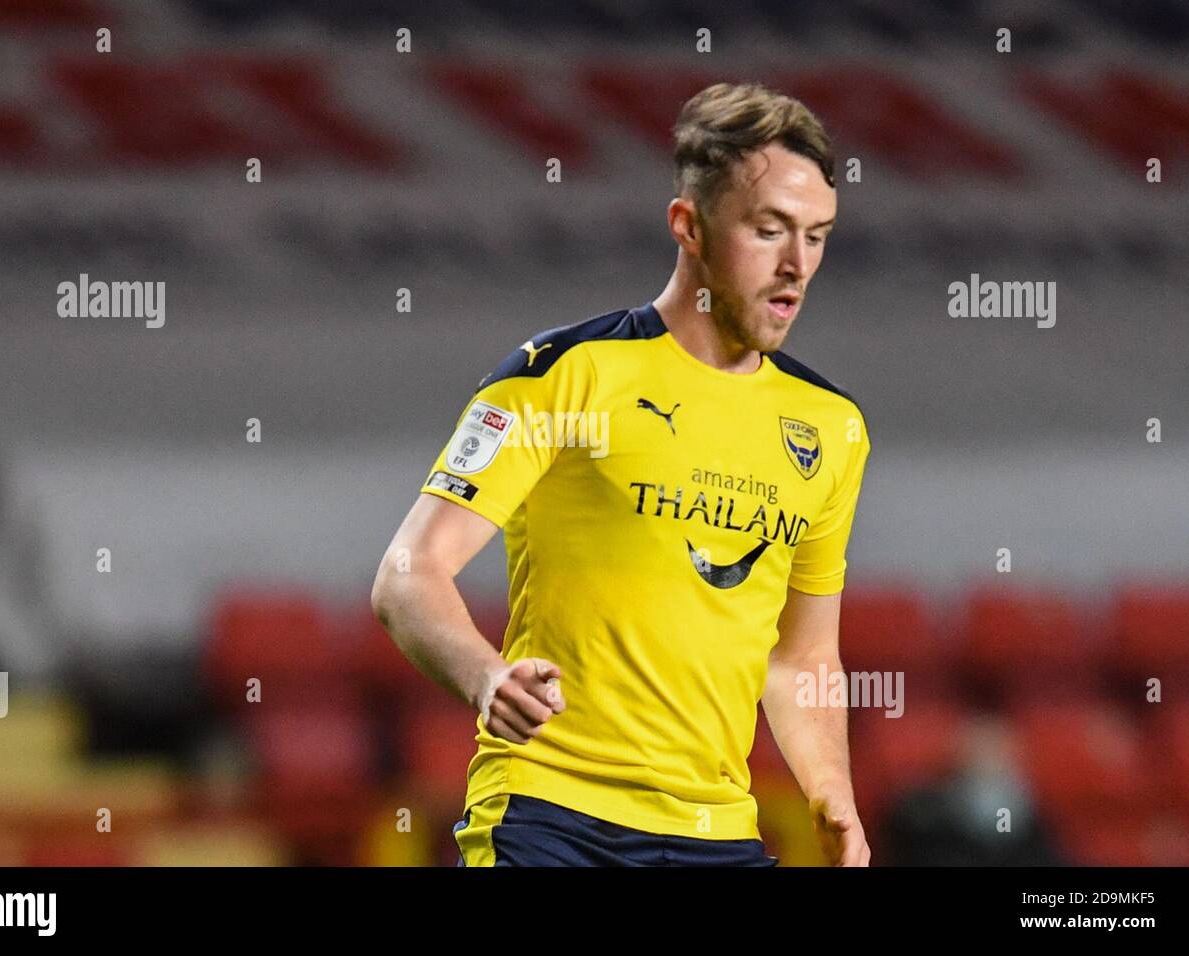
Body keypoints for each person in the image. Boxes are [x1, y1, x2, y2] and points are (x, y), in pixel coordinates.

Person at [372, 82, 872, 866]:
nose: (796, 266)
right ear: (689, 227)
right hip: (552, 817)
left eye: (816, 235)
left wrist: (831, 787)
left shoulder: (830, 428)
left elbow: (800, 656)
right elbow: (408, 574)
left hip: (718, 835)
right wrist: (486, 676)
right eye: (769, 230)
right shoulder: (566, 375)